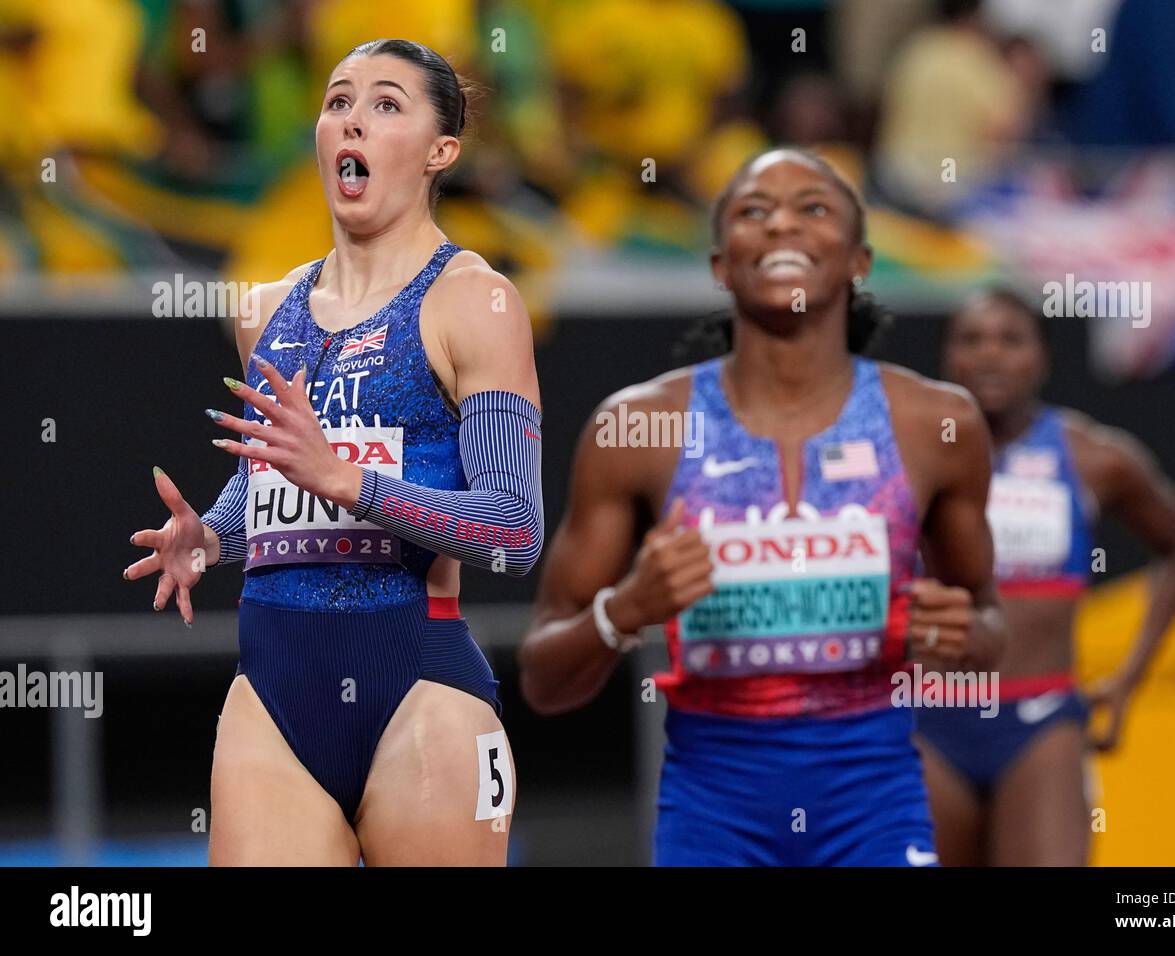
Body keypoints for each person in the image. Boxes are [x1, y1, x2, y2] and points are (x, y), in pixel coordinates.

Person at [518, 148, 1007, 866]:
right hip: (713, 811)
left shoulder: (937, 424)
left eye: (812, 208)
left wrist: (960, 637)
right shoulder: (638, 429)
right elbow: (541, 680)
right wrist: (625, 610)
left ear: (860, 261)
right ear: (720, 265)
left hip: (874, 803)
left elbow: (991, 636)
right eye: (753, 211)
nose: (781, 224)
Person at [124, 39, 543, 866]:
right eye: (338, 100)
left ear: (439, 151)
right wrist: (211, 536)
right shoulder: (266, 308)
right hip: (273, 695)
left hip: (420, 694)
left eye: (387, 104)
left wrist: (352, 482)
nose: (352, 118)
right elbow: (272, 483)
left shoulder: (475, 301)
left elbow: (513, 530)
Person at [916, 287, 1175, 865]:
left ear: (1041, 358)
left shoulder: (1093, 456)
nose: (990, 355)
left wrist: (1129, 678)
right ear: (949, 356)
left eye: (1010, 340)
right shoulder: (910, 453)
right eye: (972, 340)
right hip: (926, 721)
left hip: (1040, 721)